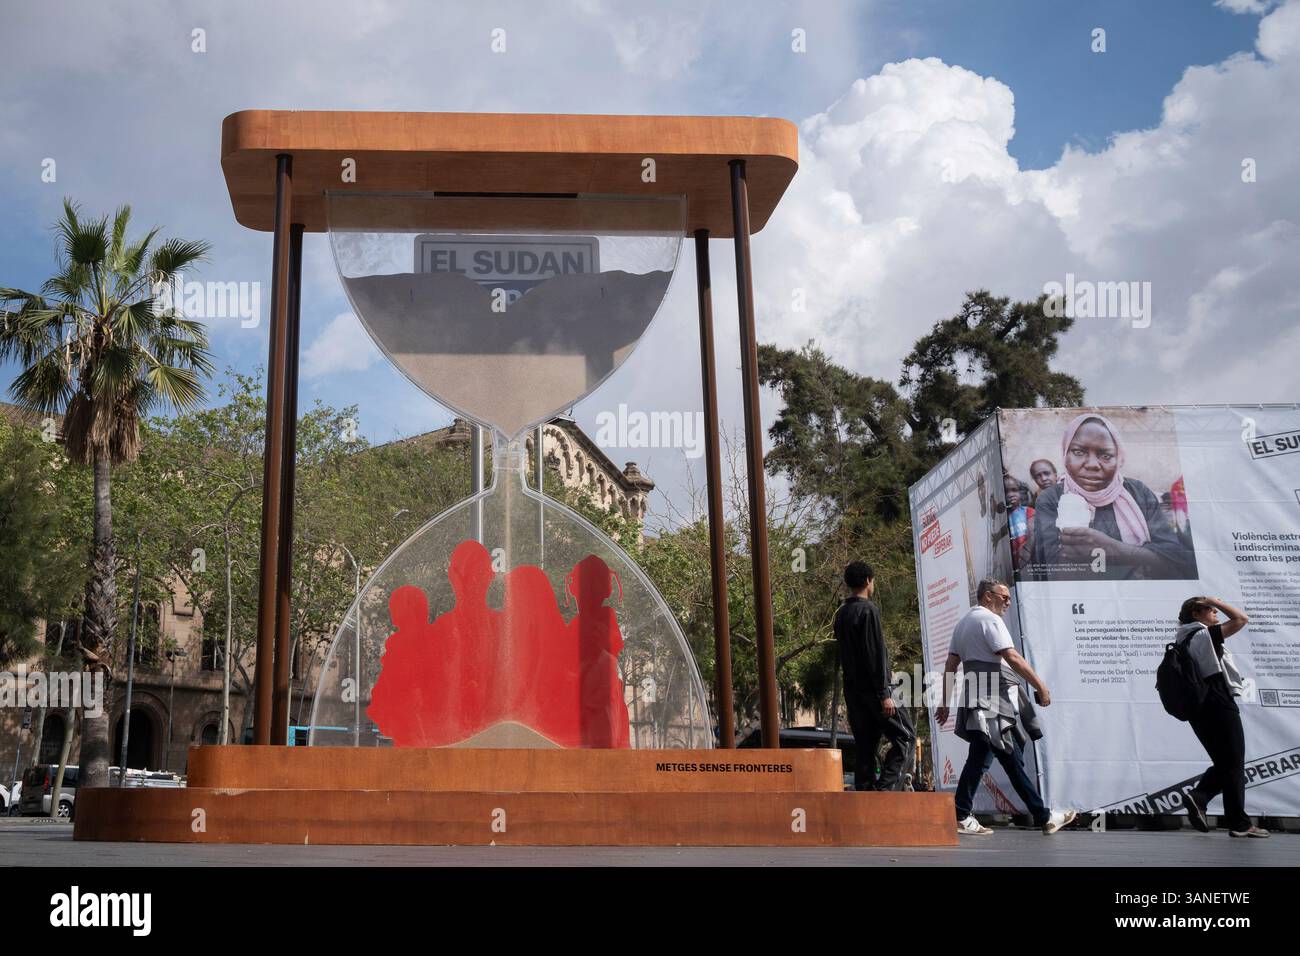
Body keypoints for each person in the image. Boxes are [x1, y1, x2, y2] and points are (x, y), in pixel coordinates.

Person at [936, 578, 1076, 835]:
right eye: (1004, 597)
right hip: (989, 699)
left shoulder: (963, 623)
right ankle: (961, 814)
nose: (1008, 602)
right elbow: (1012, 657)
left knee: (1003, 759)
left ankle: (1042, 815)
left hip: (977, 696)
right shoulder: (990, 620)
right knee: (990, 757)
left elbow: (950, 666)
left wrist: (945, 702)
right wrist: (1040, 685)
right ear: (988, 596)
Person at [1029, 413, 1195, 580]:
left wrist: (1113, 549)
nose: (1092, 464)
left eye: (1106, 455)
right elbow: (1048, 571)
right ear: (1065, 455)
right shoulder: (1052, 499)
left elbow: (1174, 558)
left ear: (1119, 458)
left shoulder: (1137, 492)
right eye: (1079, 452)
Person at [1176, 596, 1268, 838]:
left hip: (1199, 709)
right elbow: (1241, 619)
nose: (1216, 613)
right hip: (1218, 704)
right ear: (1197, 613)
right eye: (1212, 610)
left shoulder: (1183, 637)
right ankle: (1231, 818)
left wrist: (1208, 603)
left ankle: (1214, 806)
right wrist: (1212, 599)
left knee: (1226, 765)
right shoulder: (1203, 635)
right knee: (1233, 765)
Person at [833, 561, 915, 791]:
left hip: (854, 692)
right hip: (875, 691)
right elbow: (875, 654)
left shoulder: (841, 614)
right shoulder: (868, 610)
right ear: (869, 581)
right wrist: (884, 693)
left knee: (866, 746)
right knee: (905, 737)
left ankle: (865, 795)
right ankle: (885, 791)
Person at [1004, 472, 1034, 571]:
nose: (1011, 495)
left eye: (1014, 490)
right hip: (1015, 566)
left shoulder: (1028, 512)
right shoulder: (1003, 519)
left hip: (1031, 560)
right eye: (1006, 492)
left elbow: (1033, 535)